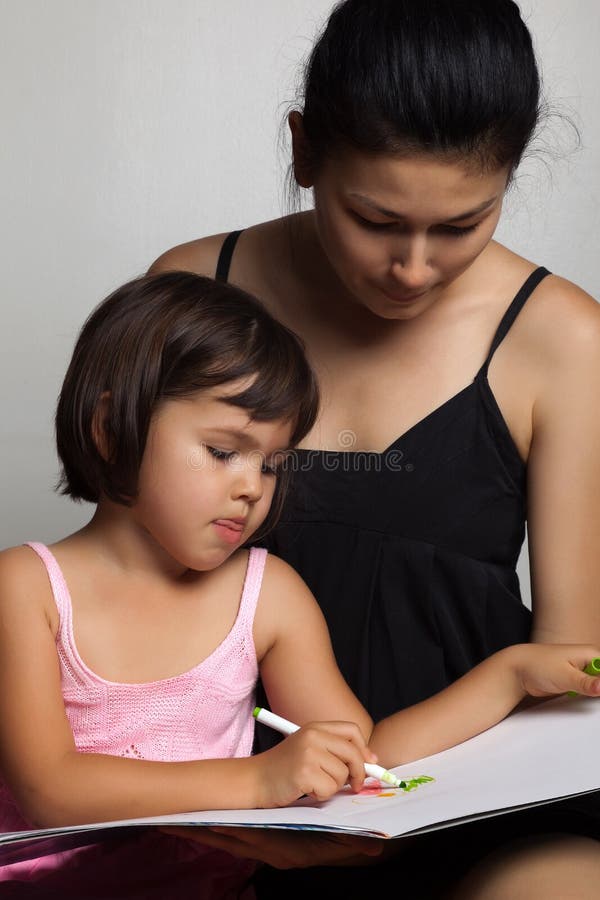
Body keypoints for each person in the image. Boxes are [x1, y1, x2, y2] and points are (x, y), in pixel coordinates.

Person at [149, 0, 600, 896]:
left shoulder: (563, 338)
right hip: (236, 796)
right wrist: (238, 801)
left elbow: (573, 662)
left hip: (479, 797)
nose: (414, 268)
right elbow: (123, 589)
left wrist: (399, 802)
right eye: (376, 219)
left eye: (462, 226)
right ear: (305, 149)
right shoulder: (193, 292)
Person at [1, 271, 598, 899]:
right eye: (223, 451)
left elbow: (360, 757)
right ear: (110, 429)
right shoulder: (27, 587)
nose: (252, 486)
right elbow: (51, 790)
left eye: (273, 464)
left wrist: (507, 676)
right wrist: (260, 781)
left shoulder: (267, 593)